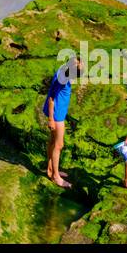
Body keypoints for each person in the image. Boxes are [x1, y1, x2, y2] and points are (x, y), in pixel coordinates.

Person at [43, 54, 81, 188]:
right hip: (57, 115)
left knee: (53, 141)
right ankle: (56, 177)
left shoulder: (63, 69)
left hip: (57, 112)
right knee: (59, 145)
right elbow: (52, 98)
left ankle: (51, 168)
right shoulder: (63, 79)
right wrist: (51, 119)